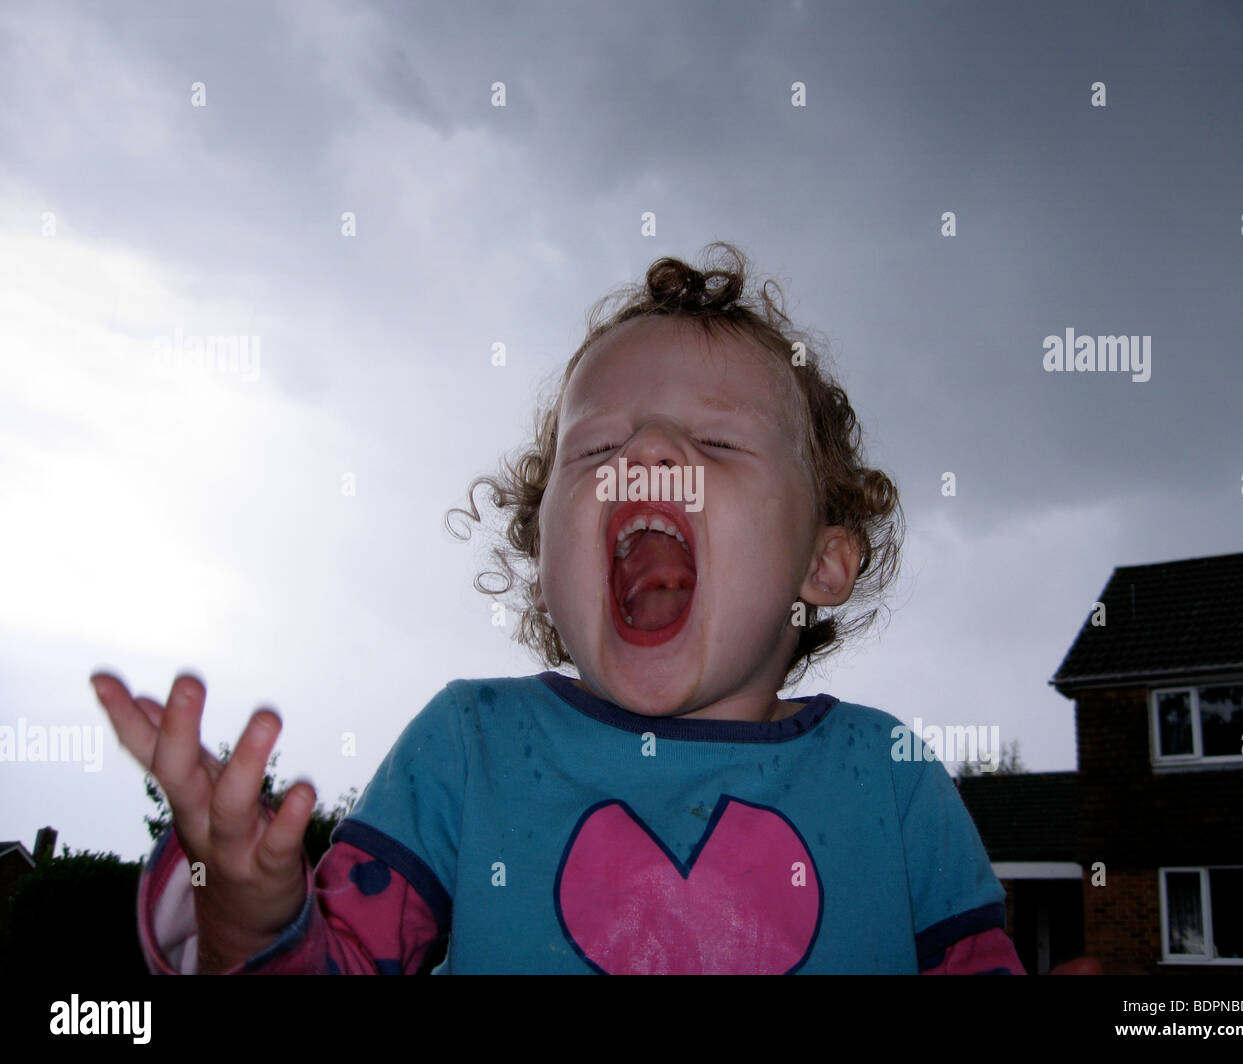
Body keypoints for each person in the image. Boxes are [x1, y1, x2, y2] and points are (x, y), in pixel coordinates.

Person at [93, 243, 1036, 974]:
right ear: (545, 554)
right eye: (594, 453)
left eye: (715, 439)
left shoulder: (892, 780)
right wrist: (249, 917)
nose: (647, 453)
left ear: (823, 562)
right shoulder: (471, 749)